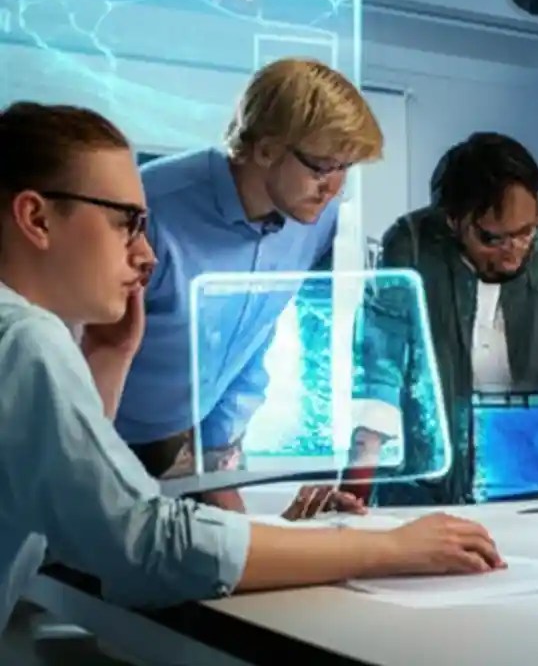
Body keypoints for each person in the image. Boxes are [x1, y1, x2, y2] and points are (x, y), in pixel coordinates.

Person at [0, 101, 505, 632]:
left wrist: (109, 357)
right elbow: (146, 545)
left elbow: (71, 519)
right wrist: (391, 548)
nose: (146, 255)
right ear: (36, 218)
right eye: (126, 223)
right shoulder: (26, 339)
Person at [113, 58, 382, 516]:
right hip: (107, 442)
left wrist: (218, 468)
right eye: (322, 168)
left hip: (201, 447)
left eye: (346, 168)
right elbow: (76, 350)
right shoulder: (150, 206)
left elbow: (256, 333)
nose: (334, 188)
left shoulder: (315, 220)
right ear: (265, 149)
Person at [343, 132, 538, 509]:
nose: (513, 253)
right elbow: (381, 370)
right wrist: (354, 492)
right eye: (492, 239)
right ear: (453, 220)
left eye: (526, 233)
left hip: (531, 479)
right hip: (425, 487)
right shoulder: (411, 243)